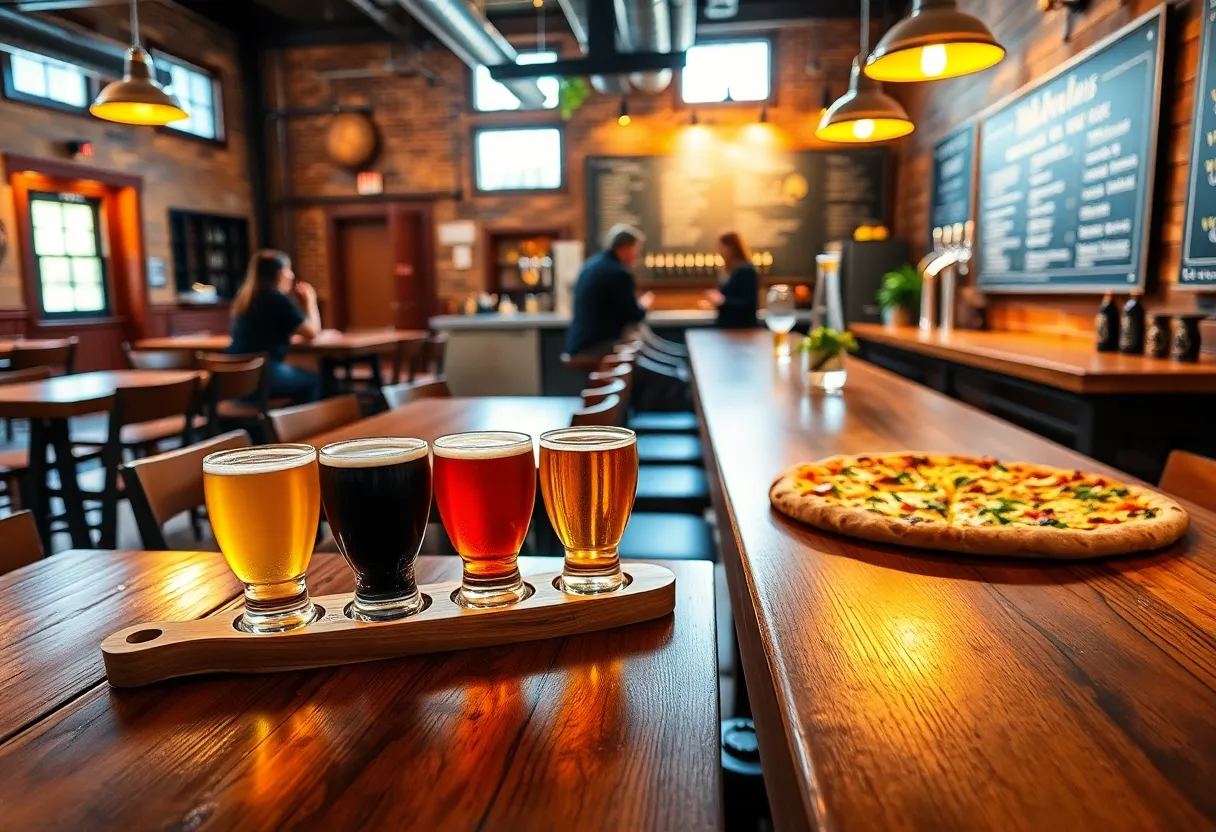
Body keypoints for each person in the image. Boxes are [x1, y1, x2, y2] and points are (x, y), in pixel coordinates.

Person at [228, 249, 323, 404]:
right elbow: (312, 333)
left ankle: (281, 420)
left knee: (299, 376)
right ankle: (299, 425)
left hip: (236, 379)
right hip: (262, 376)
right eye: (289, 269)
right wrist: (310, 300)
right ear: (280, 273)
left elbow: (263, 334)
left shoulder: (245, 299)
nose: (291, 275)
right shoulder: (277, 299)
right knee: (313, 380)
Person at [565, 224, 655, 356]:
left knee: (638, 343)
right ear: (624, 248)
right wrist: (645, 304)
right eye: (635, 249)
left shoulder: (591, 264)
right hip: (595, 346)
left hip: (578, 344)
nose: (637, 255)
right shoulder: (618, 273)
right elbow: (634, 316)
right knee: (640, 349)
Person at [705, 231, 759, 328]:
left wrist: (722, 301)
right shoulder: (727, 270)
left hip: (742, 330)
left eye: (721, 247)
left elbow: (749, 304)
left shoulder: (746, 271)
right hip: (727, 329)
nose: (719, 251)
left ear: (730, 248)